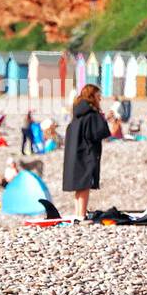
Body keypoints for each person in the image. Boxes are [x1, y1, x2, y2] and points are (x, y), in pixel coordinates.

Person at [63, 84, 111, 220]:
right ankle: (81, 215)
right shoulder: (91, 114)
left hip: (74, 154)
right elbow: (100, 133)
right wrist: (103, 118)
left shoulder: (78, 113)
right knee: (84, 184)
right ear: (91, 96)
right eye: (98, 96)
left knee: (79, 186)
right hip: (86, 154)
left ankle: (78, 213)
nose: (100, 98)